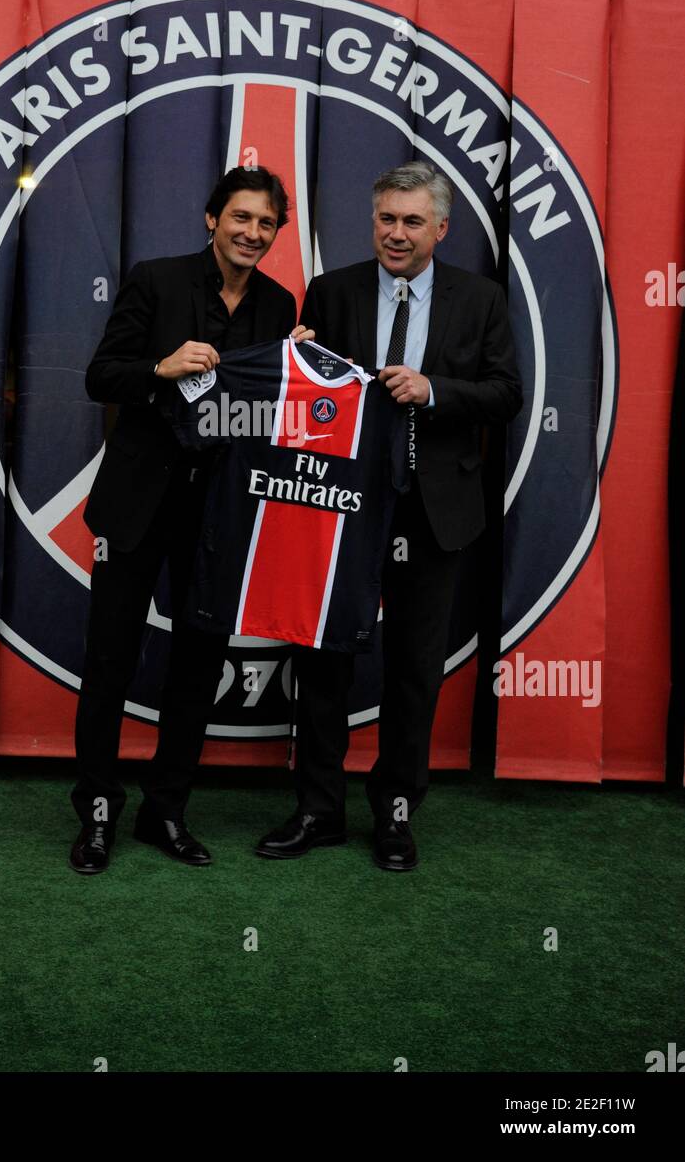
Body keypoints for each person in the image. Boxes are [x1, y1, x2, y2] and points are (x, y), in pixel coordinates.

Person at [255, 160, 523, 872]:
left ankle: (396, 812)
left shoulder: (481, 299)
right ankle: (318, 808)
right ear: (370, 221)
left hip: (434, 511)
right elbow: (299, 397)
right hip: (339, 507)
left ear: (440, 228)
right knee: (323, 661)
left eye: (410, 221)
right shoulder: (330, 290)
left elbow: (504, 394)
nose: (395, 234)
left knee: (413, 668)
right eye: (385, 220)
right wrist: (299, 366)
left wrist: (434, 389)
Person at [70, 166, 303, 874]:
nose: (251, 233)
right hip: (139, 502)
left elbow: (274, 413)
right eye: (240, 218)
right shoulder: (156, 279)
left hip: (220, 512)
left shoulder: (278, 304)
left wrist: (302, 368)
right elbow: (99, 377)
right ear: (211, 219)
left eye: (265, 224)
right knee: (110, 657)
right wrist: (160, 367)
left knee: (198, 664)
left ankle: (164, 811)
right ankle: (98, 812)